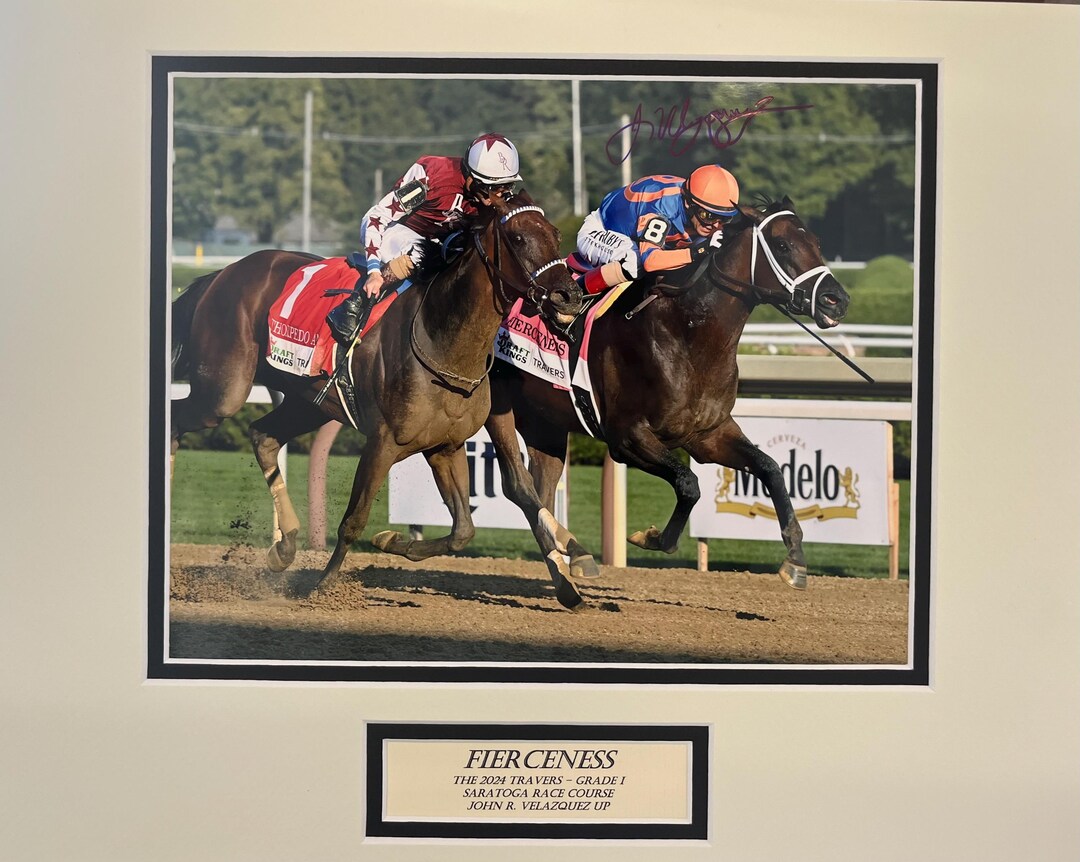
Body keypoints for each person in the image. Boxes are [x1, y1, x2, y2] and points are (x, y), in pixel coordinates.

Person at [326, 133, 523, 344]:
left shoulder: (496, 196)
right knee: (423, 253)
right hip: (395, 230)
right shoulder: (431, 177)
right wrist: (374, 271)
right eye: (493, 188)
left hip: (441, 241)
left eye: (506, 186)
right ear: (472, 180)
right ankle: (356, 304)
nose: (500, 195)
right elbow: (375, 218)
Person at [573, 164, 741, 294]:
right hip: (601, 230)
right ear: (689, 204)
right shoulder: (662, 206)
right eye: (708, 216)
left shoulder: (698, 206)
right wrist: (699, 251)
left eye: (724, 219)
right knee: (634, 262)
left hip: (637, 237)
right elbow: (651, 262)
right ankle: (572, 296)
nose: (716, 225)